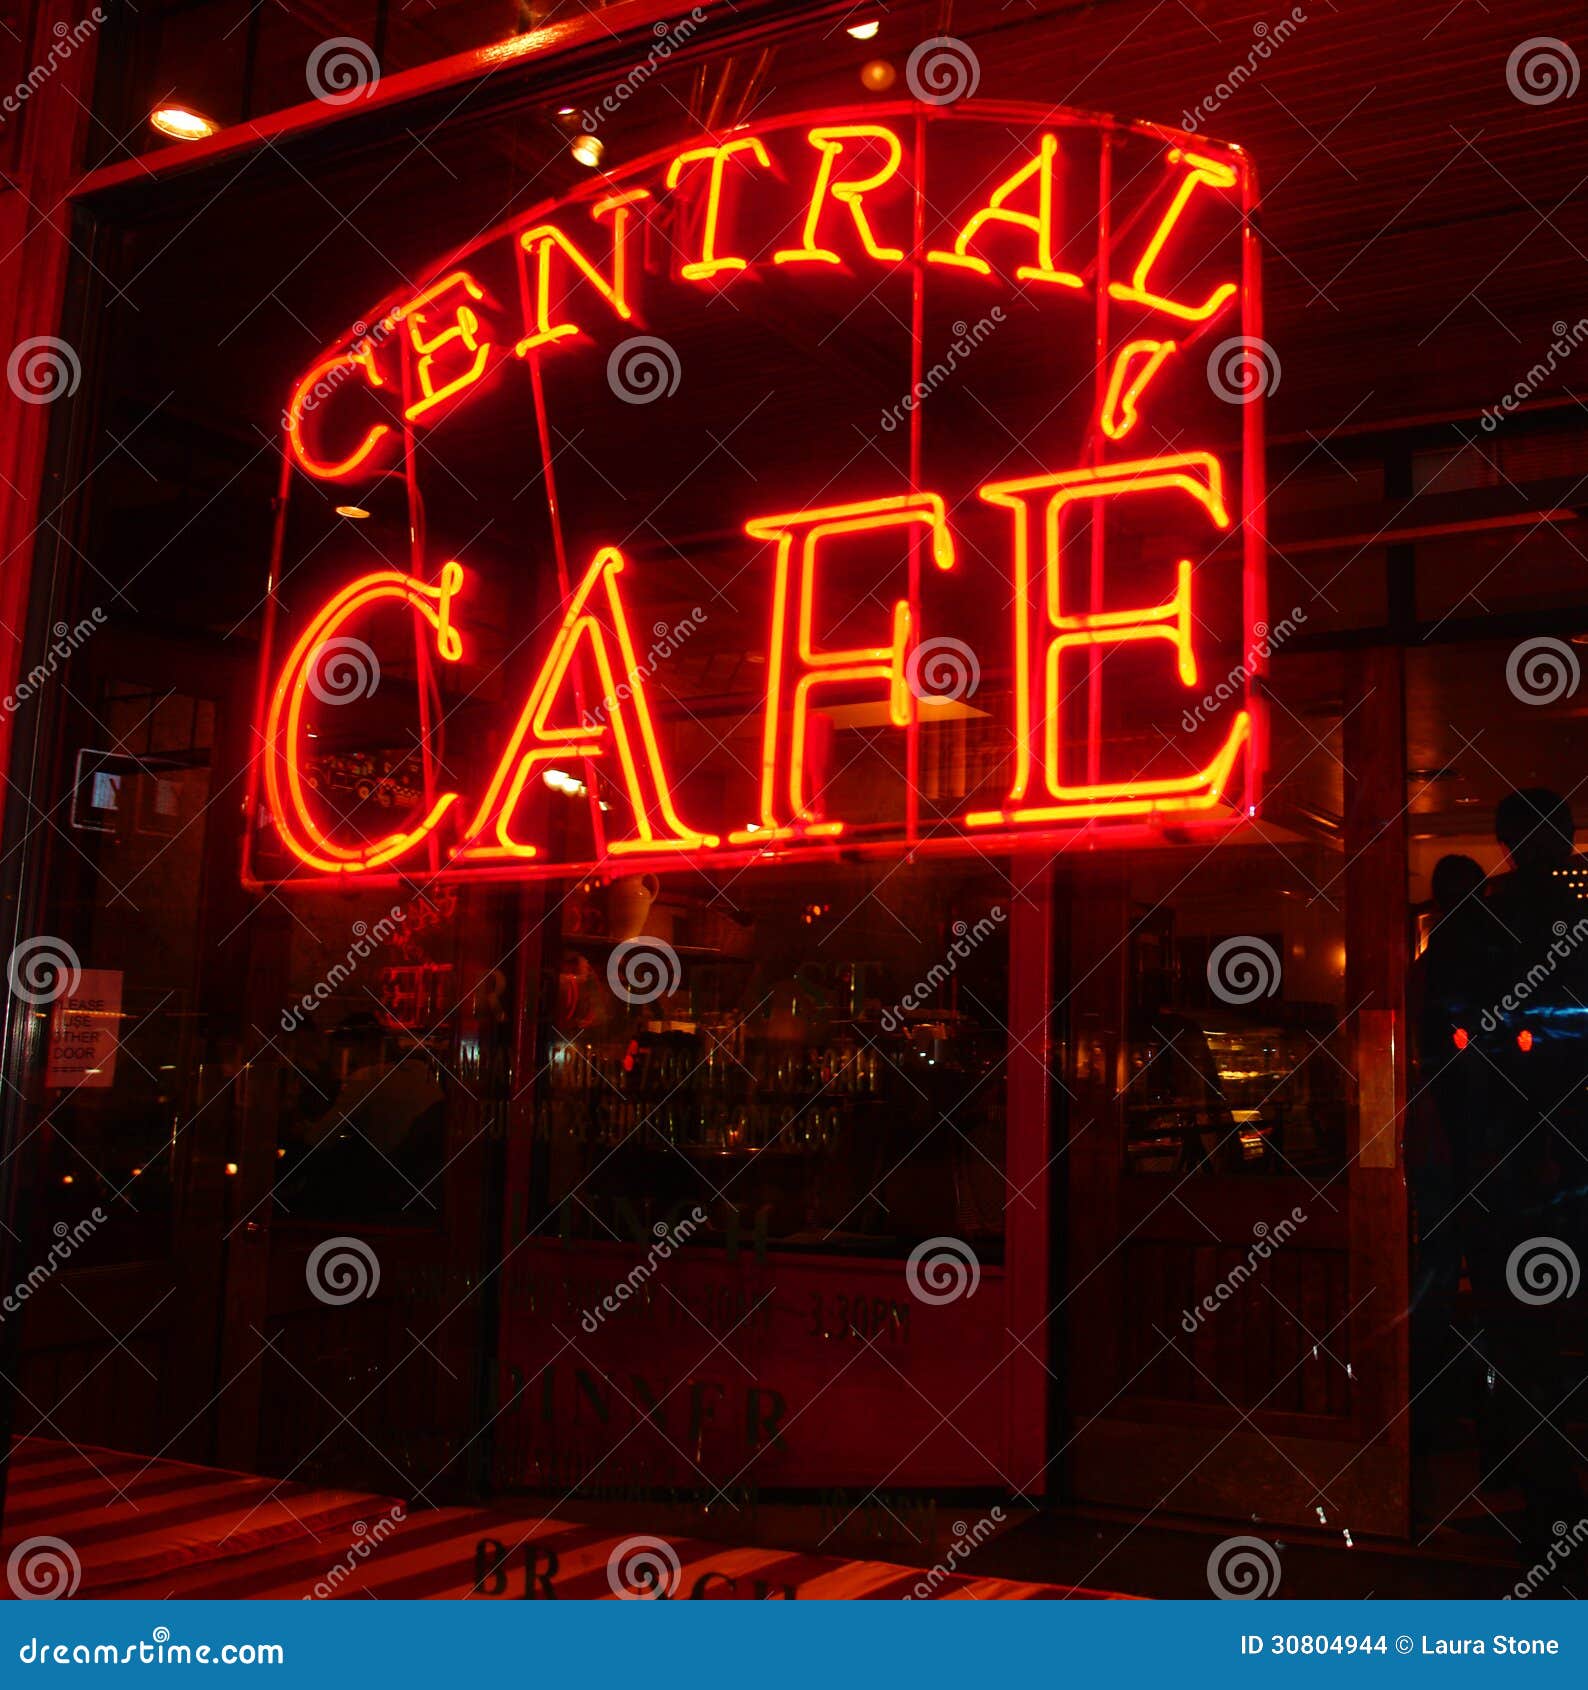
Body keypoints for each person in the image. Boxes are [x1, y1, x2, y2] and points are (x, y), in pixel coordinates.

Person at [1420, 792, 1587, 1585]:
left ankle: (1542, 1503)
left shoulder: (1475, 924)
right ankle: (1544, 1500)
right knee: (1532, 1331)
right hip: (1542, 1165)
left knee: (1519, 1334)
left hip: (1500, 1168)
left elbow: (1444, 1038)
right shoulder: (1557, 916)